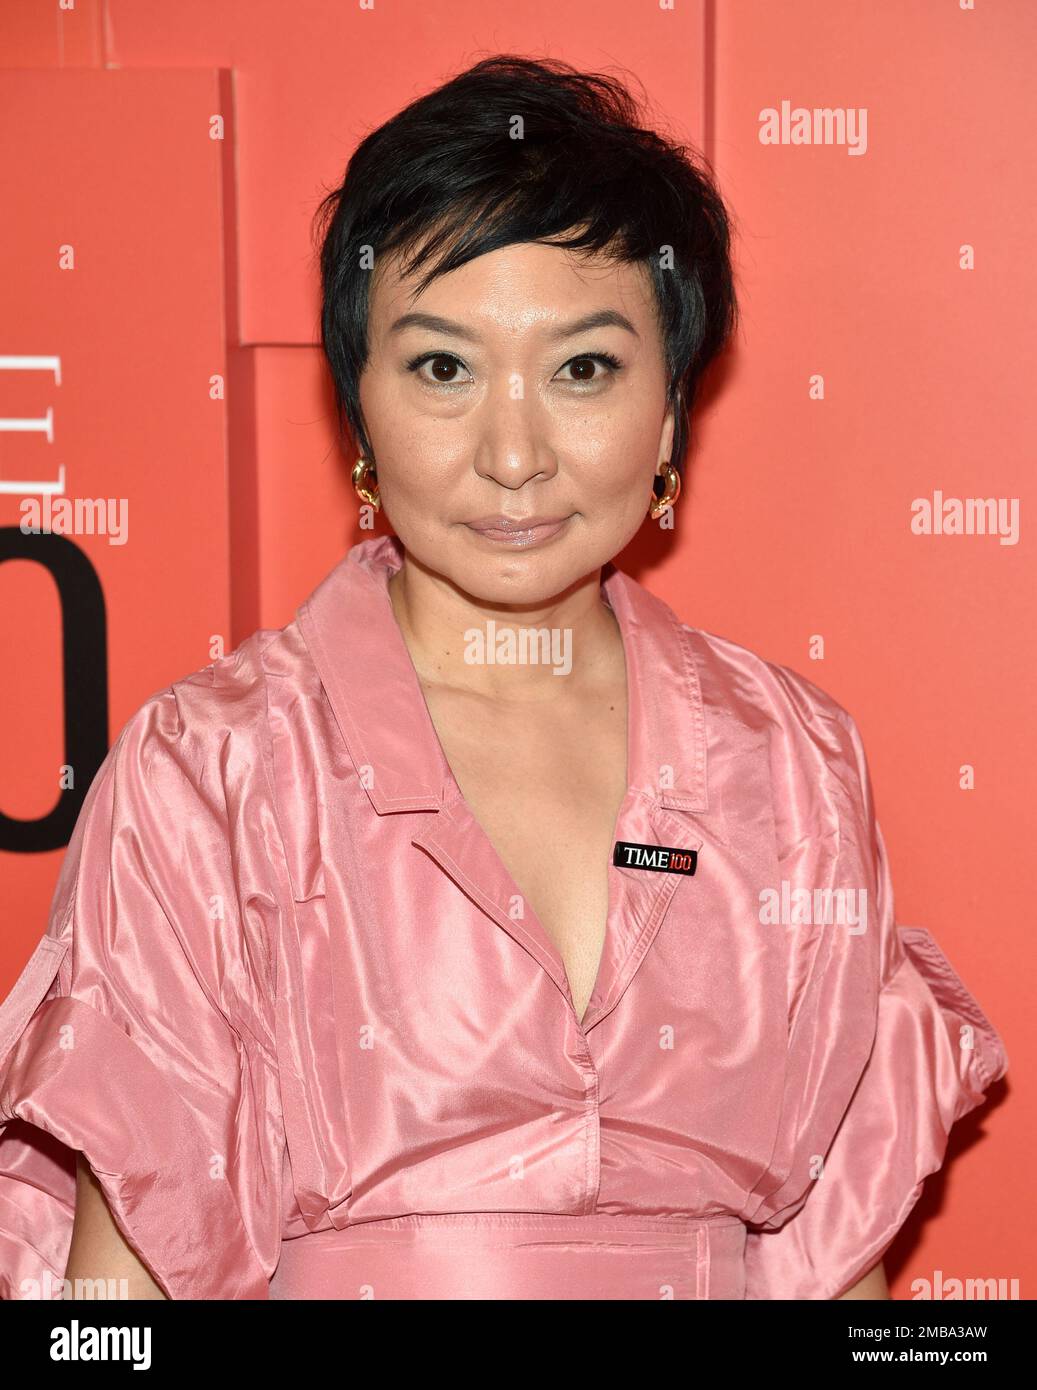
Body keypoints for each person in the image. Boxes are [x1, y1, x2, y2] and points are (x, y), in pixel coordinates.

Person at [0, 55, 1007, 1301]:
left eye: (582, 368)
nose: (514, 453)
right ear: (356, 410)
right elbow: (120, 1305)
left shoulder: (788, 761)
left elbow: (836, 1275)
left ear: (671, 410)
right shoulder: (215, 768)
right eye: (441, 369)